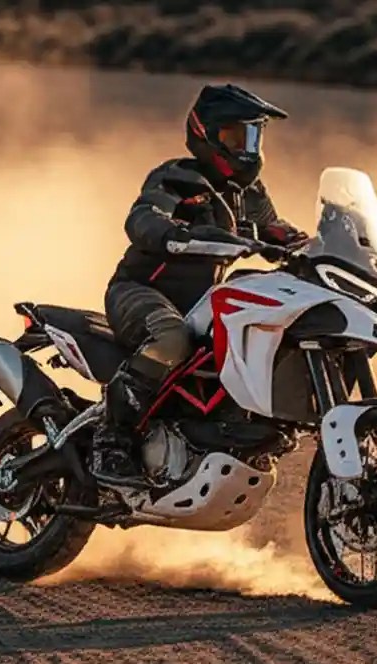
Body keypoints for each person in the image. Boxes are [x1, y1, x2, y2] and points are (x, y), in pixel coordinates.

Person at [91, 83, 310, 485]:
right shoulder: (177, 177)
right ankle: (111, 438)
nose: (246, 147)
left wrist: (313, 248)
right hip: (142, 291)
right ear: (206, 133)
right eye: (235, 135)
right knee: (172, 339)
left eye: (253, 136)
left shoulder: (248, 194)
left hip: (199, 304)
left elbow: (275, 230)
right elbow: (144, 216)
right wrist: (169, 231)